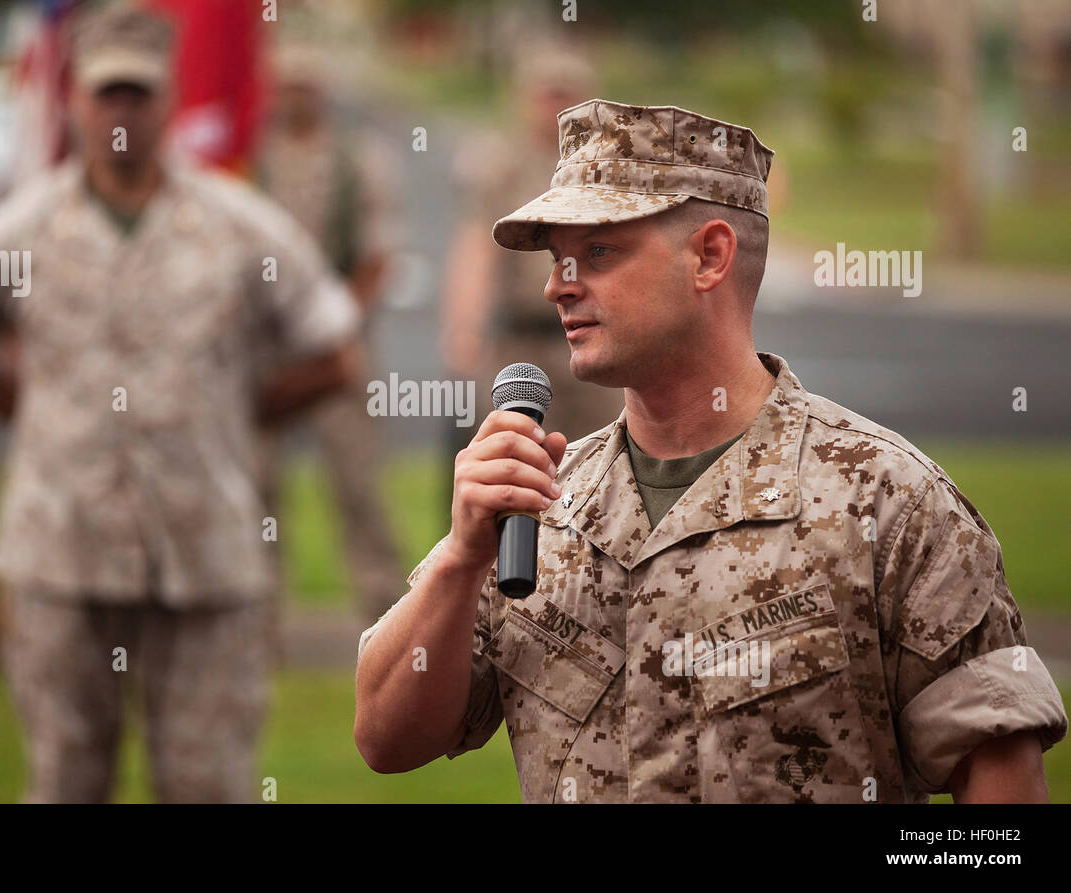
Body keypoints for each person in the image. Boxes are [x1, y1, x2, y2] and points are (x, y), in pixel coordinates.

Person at [355, 100, 1068, 803]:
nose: (556, 284)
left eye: (598, 250)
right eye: (556, 256)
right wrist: (458, 558)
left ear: (711, 256)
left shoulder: (888, 502)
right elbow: (386, 740)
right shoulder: (539, 507)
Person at [0, 3, 361, 802]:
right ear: (75, 100)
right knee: (64, 783)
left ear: (169, 101)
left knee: (206, 787)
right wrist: (32, 411)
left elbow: (334, 348)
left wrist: (234, 415)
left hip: (207, 559)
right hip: (61, 554)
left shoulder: (239, 226)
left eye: (139, 94)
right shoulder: (18, 231)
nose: (122, 110)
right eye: (106, 94)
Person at [254, 45, 404, 625]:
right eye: (287, 84)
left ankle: (387, 611)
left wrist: (337, 323)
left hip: (338, 341)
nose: (297, 95)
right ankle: (257, 611)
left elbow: (378, 254)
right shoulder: (251, 158)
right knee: (255, 482)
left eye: (307, 85)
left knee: (359, 480)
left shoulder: (359, 159)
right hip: (265, 345)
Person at [440, 51, 616, 447]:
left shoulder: (607, 167)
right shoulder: (502, 165)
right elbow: (476, 250)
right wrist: (463, 333)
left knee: (607, 459)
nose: (555, 107)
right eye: (547, 95)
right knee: (519, 456)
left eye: (566, 95)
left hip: (601, 335)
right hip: (525, 339)